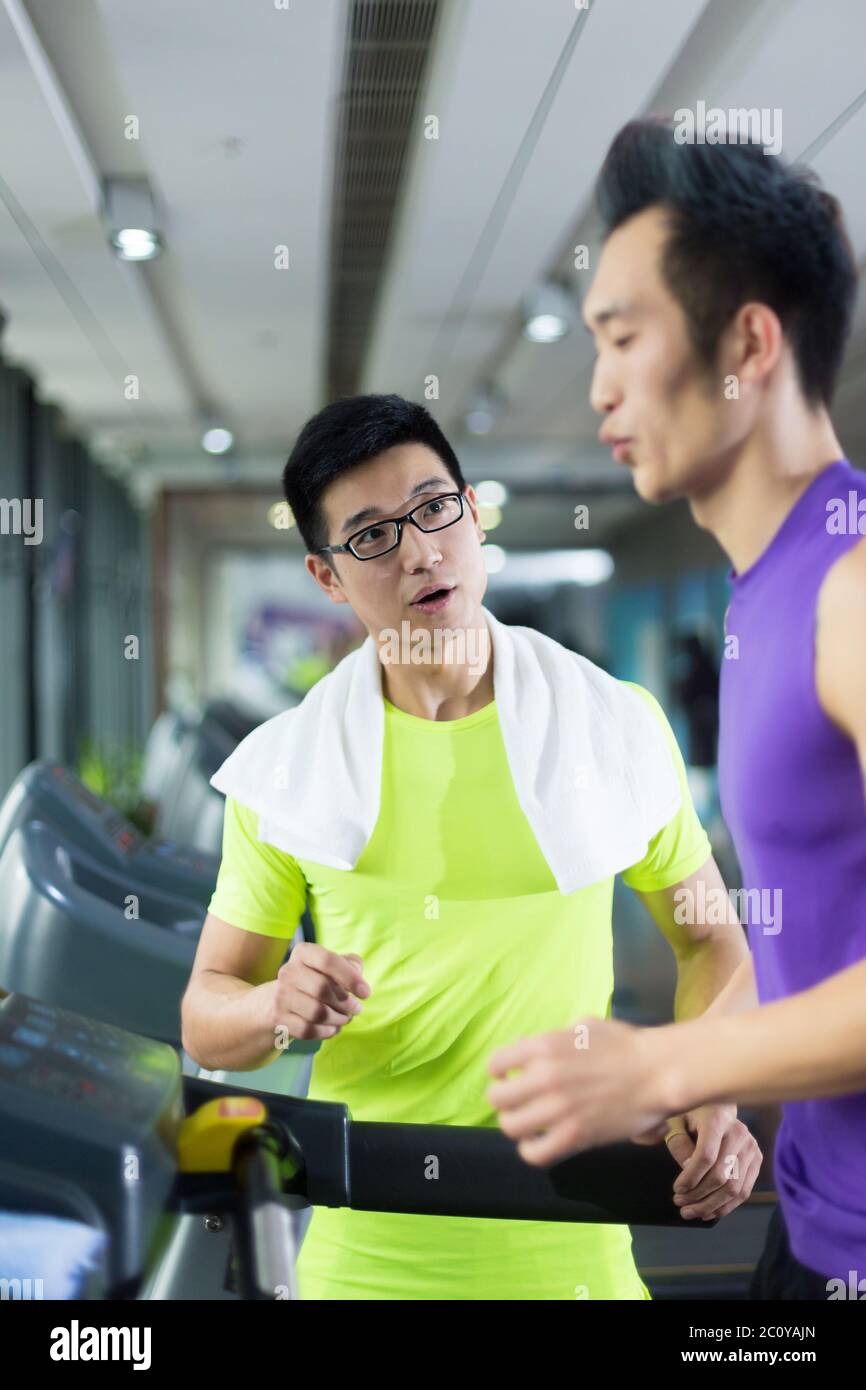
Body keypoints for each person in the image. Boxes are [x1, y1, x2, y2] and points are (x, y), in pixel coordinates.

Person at [181, 393, 761, 1300]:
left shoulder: (612, 726)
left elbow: (711, 940)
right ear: (327, 577)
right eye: (371, 536)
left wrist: (708, 1087)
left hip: (573, 1246)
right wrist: (273, 1008)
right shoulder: (288, 772)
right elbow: (205, 1011)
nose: (419, 550)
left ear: (473, 512)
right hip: (365, 1253)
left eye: (434, 508)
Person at [487, 118, 866, 1301]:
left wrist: (664, 1058)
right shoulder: (765, 592)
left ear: (746, 342)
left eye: (622, 335)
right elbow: (816, 922)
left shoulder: (851, 585)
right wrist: (714, 1069)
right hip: (812, 1213)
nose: (598, 384)